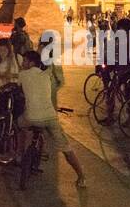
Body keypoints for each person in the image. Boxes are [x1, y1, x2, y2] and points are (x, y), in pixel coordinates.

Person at [16, 50, 86, 188]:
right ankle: (81, 176)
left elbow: (18, 88)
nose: (22, 63)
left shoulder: (23, 74)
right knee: (66, 148)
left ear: (31, 63)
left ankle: (20, 154)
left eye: (24, 61)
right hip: (50, 117)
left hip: (31, 117)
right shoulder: (46, 76)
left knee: (19, 124)